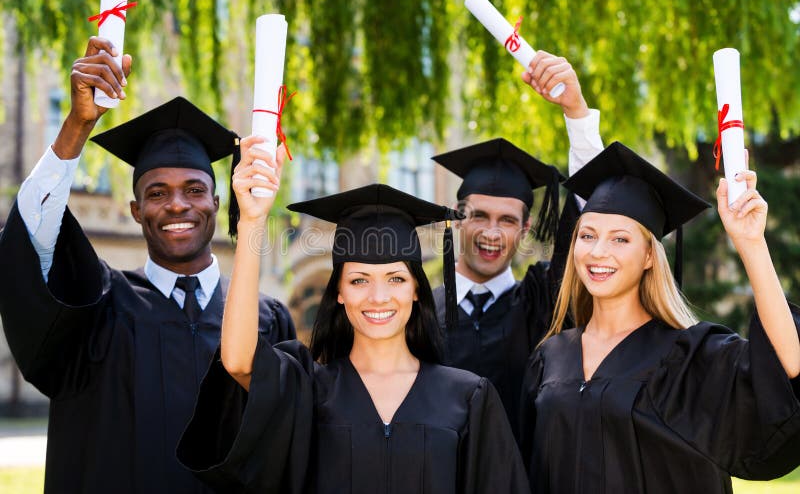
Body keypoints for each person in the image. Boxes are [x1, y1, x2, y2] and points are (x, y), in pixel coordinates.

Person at [0, 37, 295, 494]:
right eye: (156, 193)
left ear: (216, 203)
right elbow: (31, 238)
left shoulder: (268, 321)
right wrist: (78, 126)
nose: (178, 205)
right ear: (136, 210)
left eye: (194, 190)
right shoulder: (97, 311)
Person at [176, 136, 530, 493]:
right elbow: (239, 362)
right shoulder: (310, 390)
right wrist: (252, 221)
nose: (378, 297)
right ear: (340, 293)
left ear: (416, 289)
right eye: (360, 280)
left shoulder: (467, 398)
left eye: (395, 278)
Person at [520, 141, 800, 493]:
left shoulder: (685, 357)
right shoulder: (549, 357)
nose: (598, 252)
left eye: (620, 239)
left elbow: (785, 365)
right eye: (587, 235)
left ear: (650, 256)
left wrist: (751, 243)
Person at [431, 51, 603, 436]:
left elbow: (593, 223)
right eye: (479, 216)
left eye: (507, 220)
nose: (492, 233)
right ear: (458, 218)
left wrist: (576, 114)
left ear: (526, 228)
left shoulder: (543, 304)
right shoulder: (417, 310)